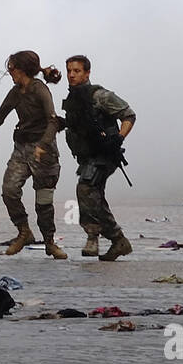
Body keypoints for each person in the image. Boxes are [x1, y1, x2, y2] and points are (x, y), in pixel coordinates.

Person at [0, 50, 68, 258]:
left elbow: (53, 120)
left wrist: (43, 145)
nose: (9, 72)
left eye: (12, 68)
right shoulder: (15, 92)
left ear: (20, 70)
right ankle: (24, 231)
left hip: (44, 152)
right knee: (9, 190)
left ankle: (49, 242)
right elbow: (1, 114)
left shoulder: (40, 90)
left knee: (44, 201)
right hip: (21, 149)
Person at [61, 54, 136, 261]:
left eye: (77, 71)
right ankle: (116, 241)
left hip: (104, 154)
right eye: (69, 71)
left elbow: (128, 114)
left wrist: (119, 138)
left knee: (86, 189)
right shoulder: (74, 98)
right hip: (87, 156)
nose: (71, 75)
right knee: (94, 197)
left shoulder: (100, 96)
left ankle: (96, 238)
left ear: (87, 73)